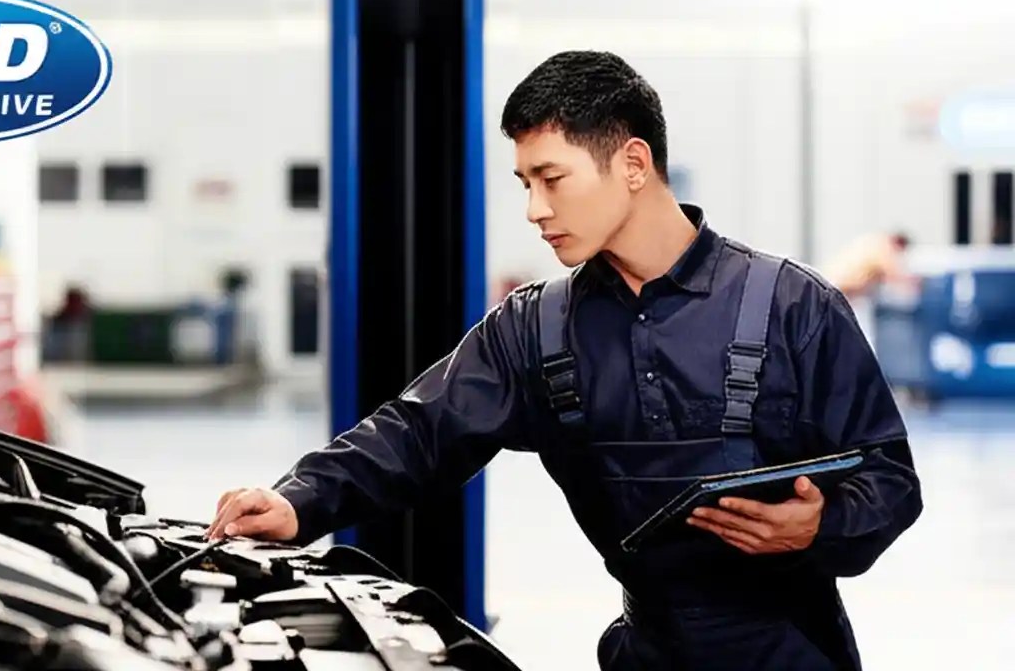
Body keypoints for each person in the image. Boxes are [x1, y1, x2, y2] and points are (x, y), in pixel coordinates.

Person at [206, 51, 923, 670]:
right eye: (526, 184)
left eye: (552, 179)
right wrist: (299, 500)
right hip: (646, 653)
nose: (535, 210)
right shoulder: (537, 328)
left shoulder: (792, 306)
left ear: (633, 164)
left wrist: (820, 525)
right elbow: (418, 431)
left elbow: (890, 479)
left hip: (792, 652)